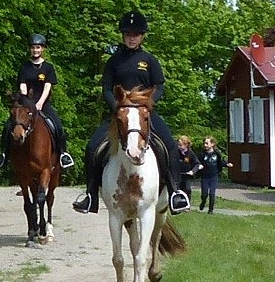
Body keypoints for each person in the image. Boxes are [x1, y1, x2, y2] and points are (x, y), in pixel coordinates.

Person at [72, 11, 192, 215]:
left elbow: (159, 86)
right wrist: (117, 107)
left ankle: (175, 193)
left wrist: (147, 104)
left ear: (142, 36)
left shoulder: (149, 60)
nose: (132, 37)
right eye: (128, 34)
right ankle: (91, 195)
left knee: (170, 146)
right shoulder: (114, 61)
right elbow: (107, 88)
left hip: (145, 115)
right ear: (123, 35)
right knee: (92, 147)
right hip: (120, 116)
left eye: (136, 34)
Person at [0, 33, 74, 169]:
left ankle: (62, 154)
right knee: (8, 126)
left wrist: (40, 103)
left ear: (43, 49)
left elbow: (48, 86)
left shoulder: (48, 67)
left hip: (43, 103)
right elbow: (22, 86)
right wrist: (25, 100)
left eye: (38, 47)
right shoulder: (24, 67)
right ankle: (4, 155)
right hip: (26, 103)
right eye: (33, 48)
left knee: (58, 126)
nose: (35, 50)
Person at [197, 136, 233, 214]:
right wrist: (199, 166)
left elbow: (220, 162)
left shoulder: (216, 153)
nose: (205, 145)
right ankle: (203, 201)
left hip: (214, 176)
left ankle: (210, 210)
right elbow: (197, 162)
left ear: (212, 144)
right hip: (205, 176)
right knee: (204, 194)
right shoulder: (202, 154)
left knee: (212, 193)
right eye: (204, 143)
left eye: (207, 143)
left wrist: (227, 164)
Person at [176, 135, 202, 204]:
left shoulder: (190, 153)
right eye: (178, 145)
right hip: (178, 175)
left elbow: (197, 164)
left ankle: (187, 204)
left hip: (187, 175)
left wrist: (192, 171)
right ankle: (179, 203)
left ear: (186, 145)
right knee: (178, 189)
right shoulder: (176, 152)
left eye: (180, 145)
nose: (179, 147)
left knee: (187, 189)